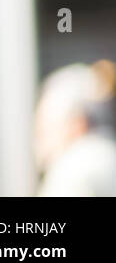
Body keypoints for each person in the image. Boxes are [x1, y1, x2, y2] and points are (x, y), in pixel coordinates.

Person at [34, 62, 116, 197]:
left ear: (78, 123)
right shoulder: (106, 153)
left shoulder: (75, 165)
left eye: (46, 129)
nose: (40, 141)